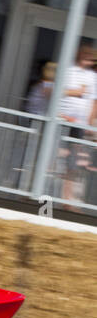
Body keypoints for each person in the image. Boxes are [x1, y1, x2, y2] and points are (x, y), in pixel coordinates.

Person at [57, 46, 97, 202]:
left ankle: (67, 200)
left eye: (91, 56)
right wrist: (76, 92)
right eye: (86, 54)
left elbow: (94, 102)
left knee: (72, 163)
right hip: (60, 120)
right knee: (55, 159)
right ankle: (44, 200)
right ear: (79, 54)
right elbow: (55, 91)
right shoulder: (68, 70)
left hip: (79, 125)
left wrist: (89, 124)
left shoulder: (92, 77)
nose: (88, 58)